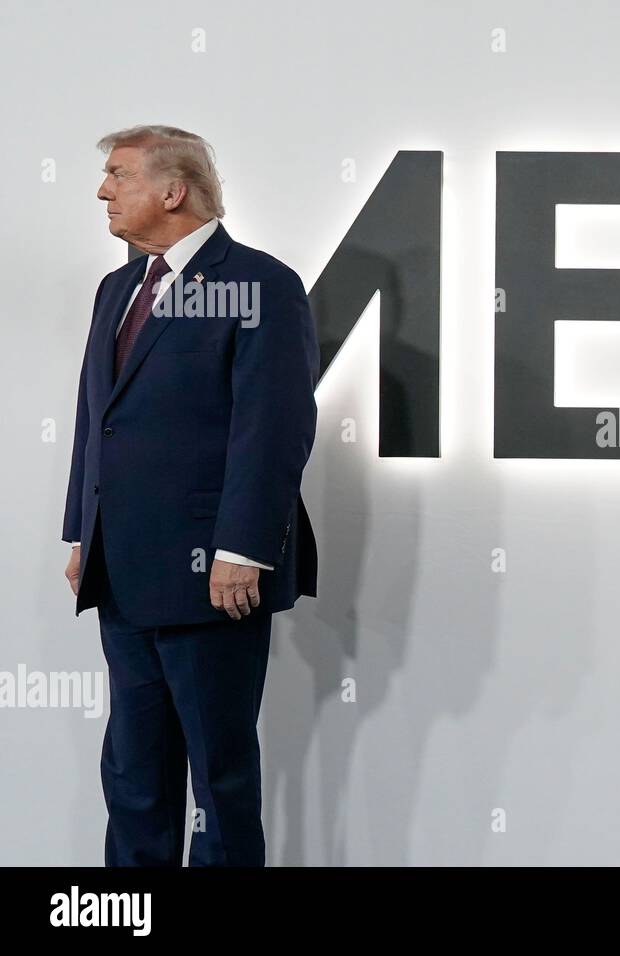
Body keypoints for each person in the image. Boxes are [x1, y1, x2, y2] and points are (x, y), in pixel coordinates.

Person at [61, 125, 319, 866]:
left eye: (119, 175)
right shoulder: (118, 288)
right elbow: (95, 419)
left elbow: (272, 429)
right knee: (133, 778)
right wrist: (85, 532)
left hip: (215, 581)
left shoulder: (263, 284)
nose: (103, 190)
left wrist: (242, 548)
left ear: (173, 191)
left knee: (219, 781)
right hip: (124, 574)